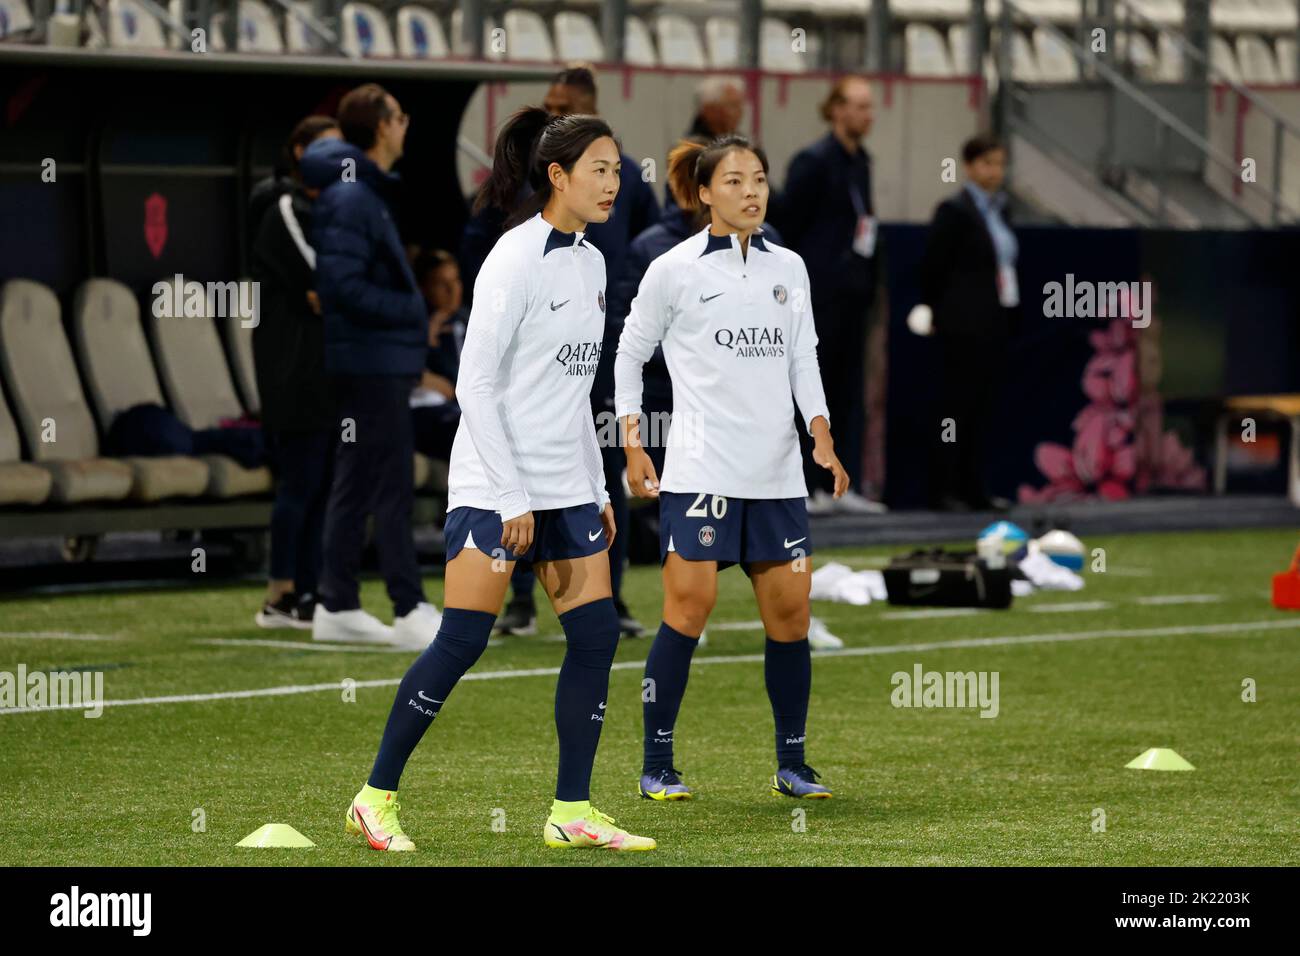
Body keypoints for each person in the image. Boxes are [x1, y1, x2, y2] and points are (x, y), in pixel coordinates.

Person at [344, 107, 656, 853]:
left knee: (596, 634)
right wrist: (512, 498)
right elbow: (475, 387)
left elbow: (578, 391)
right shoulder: (514, 258)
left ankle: (571, 810)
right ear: (558, 175)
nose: (614, 183)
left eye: (618, 170)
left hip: (565, 485)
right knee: (462, 640)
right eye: (600, 170)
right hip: (495, 485)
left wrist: (597, 487)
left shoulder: (594, 260)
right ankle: (374, 796)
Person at [615, 134, 850, 803]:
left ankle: (793, 765)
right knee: (688, 612)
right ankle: (657, 764)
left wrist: (822, 435)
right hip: (700, 473)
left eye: (760, 180)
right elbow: (629, 355)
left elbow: (804, 358)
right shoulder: (675, 268)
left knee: (792, 618)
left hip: (776, 476)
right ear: (704, 192)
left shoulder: (791, 269)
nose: (752, 192)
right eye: (736, 181)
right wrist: (633, 444)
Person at [493, 65, 660, 640]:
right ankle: (517, 597)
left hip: (603, 339)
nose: (609, 182)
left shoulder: (627, 184)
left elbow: (650, 248)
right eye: (550, 103)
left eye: (566, 104)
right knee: (524, 456)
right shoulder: (529, 199)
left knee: (603, 461)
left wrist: (626, 310)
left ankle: (609, 598)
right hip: (538, 344)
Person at [299, 83, 441, 649]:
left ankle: (337, 602)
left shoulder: (362, 192)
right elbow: (340, 285)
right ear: (383, 127)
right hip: (371, 360)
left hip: (374, 358)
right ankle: (407, 606)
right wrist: (411, 308)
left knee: (359, 481)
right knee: (388, 483)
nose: (406, 127)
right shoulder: (353, 196)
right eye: (400, 117)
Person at [775, 75, 885, 516]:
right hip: (816, 297)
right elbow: (788, 225)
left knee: (847, 390)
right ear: (836, 109)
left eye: (870, 107)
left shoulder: (862, 162)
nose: (866, 115)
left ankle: (840, 481)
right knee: (809, 387)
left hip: (853, 296)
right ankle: (804, 481)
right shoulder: (813, 161)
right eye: (858, 106)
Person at [250, 115, 342, 629]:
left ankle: (311, 592)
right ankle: (279, 593)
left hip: (328, 365)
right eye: (326, 149)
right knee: (300, 482)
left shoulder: (325, 208)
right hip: (292, 367)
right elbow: (324, 281)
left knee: (324, 483)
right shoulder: (284, 205)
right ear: (300, 151)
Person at [919, 133, 1020, 512]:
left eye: (999, 164)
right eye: (987, 164)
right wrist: (936, 311)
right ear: (971, 166)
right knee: (953, 410)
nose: (994, 172)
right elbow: (933, 267)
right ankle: (943, 488)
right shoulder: (954, 211)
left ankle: (974, 486)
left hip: (994, 322)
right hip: (961, 326)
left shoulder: (1002, 210)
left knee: (981, 408)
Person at [409, 249, 465, 464]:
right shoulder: (413, 324)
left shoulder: (470, 319)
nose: (452, 290)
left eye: (456, 280)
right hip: (426, 413)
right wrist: (428, 337)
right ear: (423, 288)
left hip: (459, 408)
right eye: (441, 284)